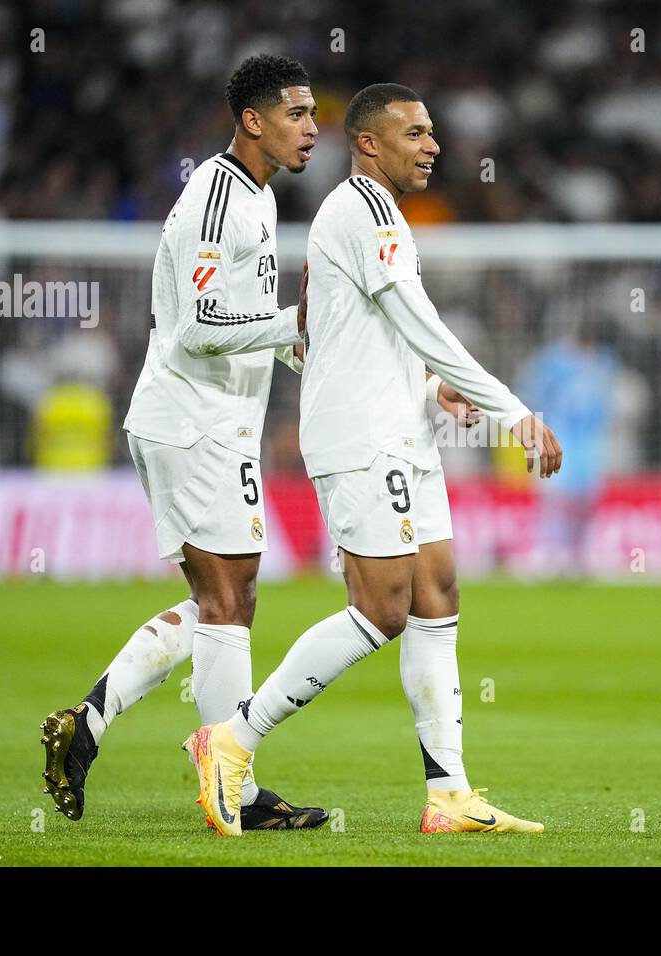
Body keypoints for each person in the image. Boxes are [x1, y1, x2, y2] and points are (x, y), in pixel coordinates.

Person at [183, 83, 562, 836]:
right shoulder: (362, 210)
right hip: (359, 439)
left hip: (401, 431)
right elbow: (420, 323)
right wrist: (509, 411)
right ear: (368, 143)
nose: (433, 145)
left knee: (437, 594)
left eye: (433, 132)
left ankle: (449, 795)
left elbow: (369, 337)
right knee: (383, 608)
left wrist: (429, 393)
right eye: (416, 133)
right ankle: (230, 739)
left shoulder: (378, 217)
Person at [39, 55, 327, 831]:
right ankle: (231, 784)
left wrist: (293, 347)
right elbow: (198, 328)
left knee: (223, 601)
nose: (312, 127)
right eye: (297, 114)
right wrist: (290, 328)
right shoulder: (214, 197)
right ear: (253, 120)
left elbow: (239, 322)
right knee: (228, 602)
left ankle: (87, 726)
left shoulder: (258, 199)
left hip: (215, 425)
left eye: (313, 113)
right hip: (188, 421)